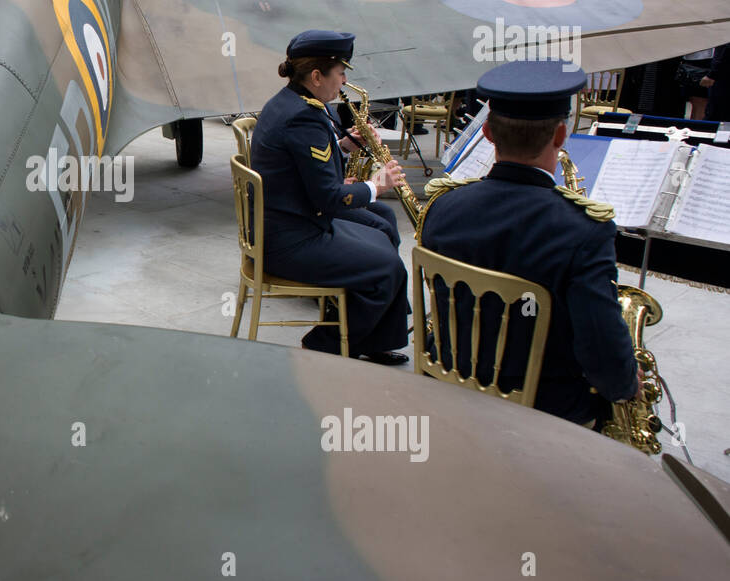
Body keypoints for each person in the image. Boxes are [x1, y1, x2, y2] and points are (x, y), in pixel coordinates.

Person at [418, 59, 640, 428]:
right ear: (559, 136)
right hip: (543, 408)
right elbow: (600, 350)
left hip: (449, 383)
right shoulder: (583, 230)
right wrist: (626, 388)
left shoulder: (443, 206)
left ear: (487, 133)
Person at [248, 30, 410, 364]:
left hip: (288, 221)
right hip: (291, 238)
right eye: (340, 73)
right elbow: (329, 200)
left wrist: (343, 146)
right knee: (388, 266)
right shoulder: (302, 116)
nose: (344, 80)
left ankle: (372, 334)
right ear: (317, 76)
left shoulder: (293, 102)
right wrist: (376, 186)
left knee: (383, 237)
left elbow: (304, 160)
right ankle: (323, 343)